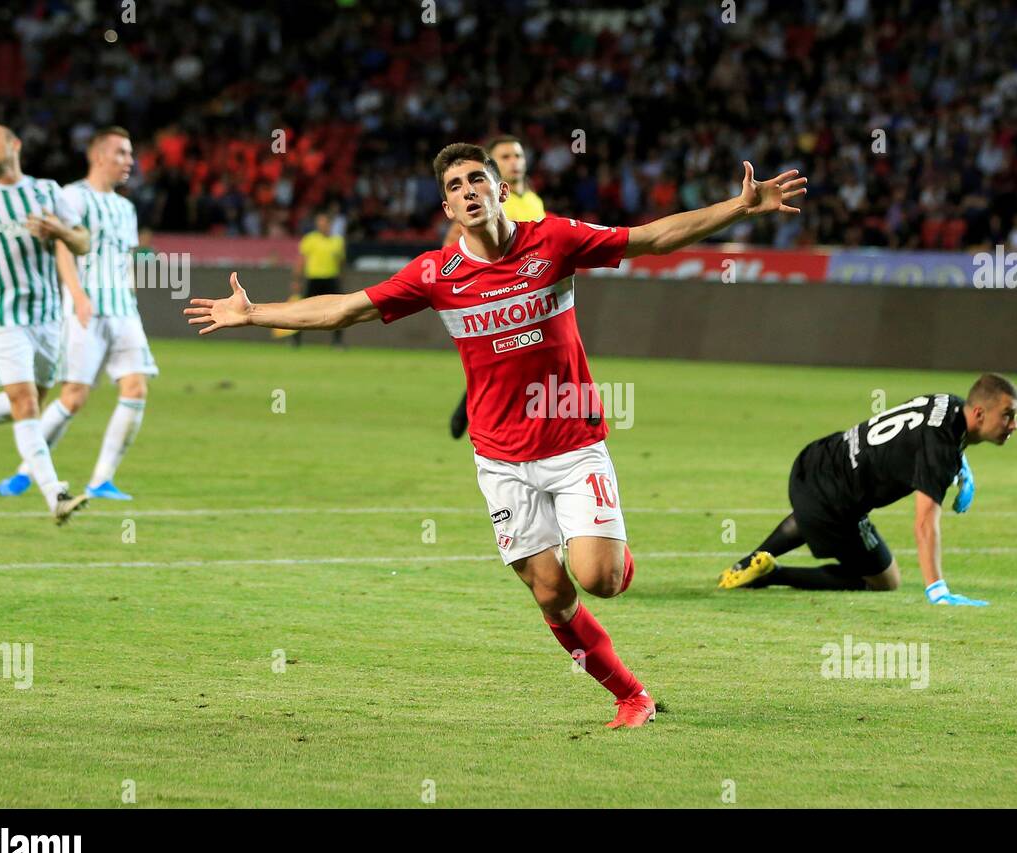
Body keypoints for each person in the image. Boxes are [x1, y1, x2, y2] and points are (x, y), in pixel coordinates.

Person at [186, 142, 806, 728]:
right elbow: (345, 307)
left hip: (571, 446)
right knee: (549, 592)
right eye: (455, 186)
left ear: (501, 188)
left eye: (476, 178)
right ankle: (632, 696)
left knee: (599, 580)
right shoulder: (436, 273)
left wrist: (738, 207)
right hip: (501, 461)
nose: (467, 190)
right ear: (448, 207)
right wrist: (255, 313)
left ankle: (609, 552)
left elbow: (650, 239)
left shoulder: (555, 240)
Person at [719, 375, 1017, 608]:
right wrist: (937, 590)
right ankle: (772, 574)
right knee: (885, 579)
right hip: (833, 500)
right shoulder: (939, 449)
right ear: (980, 413)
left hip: (814, 461)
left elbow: (927, 437)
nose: (1014, 425)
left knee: (816, 514)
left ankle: (748, 563)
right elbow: (925, 523)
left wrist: (962, 469)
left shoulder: (948, 402)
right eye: (1007, 415)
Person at [0, 126, 158, 501]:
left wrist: (131, 296)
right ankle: (26, 472)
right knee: (74, 396)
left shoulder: (126, 207)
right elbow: (63, 249)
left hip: (123, 311)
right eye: (121, 153)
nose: (129, 161)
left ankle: (101, 480)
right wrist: (77, 295)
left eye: (131, 154)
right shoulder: (72, 196)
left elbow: (125, 259)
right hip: (85, 308)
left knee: (136, 388)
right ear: (98, 156)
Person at [0, 122, 91, 524]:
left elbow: (83, 241)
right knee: (26, 404)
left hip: (46, 317)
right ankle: (55, 495)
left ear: (15, 145)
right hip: (2, 316)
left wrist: (59, 230)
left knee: (28, 403)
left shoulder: (47, 192)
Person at [447, 135, 545, 439]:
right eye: (504, 157)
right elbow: (453, 245)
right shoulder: (488, 201)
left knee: (530, 359)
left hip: (537, 295)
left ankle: (472, 408)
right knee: (513, 360)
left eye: (517, 155)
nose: (514, 162)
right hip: (500, 296)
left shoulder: (534, 201)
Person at [289, 212, 346, 349]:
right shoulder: (310, 239)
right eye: (320, 223)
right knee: (304, 310)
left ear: (330, 224)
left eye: (325, 223)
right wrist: (296, 279)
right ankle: (296, 339)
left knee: (338, 311)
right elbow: (301, 261)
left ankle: (337, 341)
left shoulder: (337, 241)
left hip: (331, 278)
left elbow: (340, 262)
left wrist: (341, 279)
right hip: (313, 278)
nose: (322, 225)